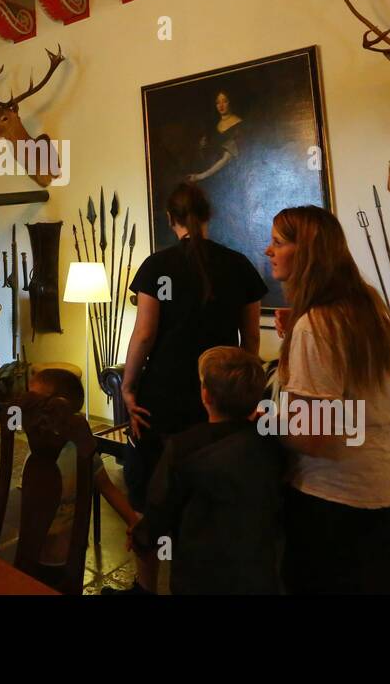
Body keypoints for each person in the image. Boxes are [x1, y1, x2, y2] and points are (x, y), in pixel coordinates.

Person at [115, 181, 267, 594]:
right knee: (205, 494)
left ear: (171, 220)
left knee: (150, 493)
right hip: (216, 395)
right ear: (207, 216)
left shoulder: (157, 266)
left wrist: (127, 388)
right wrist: (248, 396)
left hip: (162, 394)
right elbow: (250, 341)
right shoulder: (239, 265)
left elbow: (143, 336)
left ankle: (146, 586)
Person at [265, 205, 390, 594]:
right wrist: (293, 339)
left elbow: (315, 437)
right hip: (380, 488)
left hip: (329, 499)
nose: (268, 250)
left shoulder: (317, 325)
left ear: (307, 252)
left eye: (278, 242)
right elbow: (347, 399)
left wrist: (261, 420)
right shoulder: (367, 307)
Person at [130, 346, 283, 594]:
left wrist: (143, 535)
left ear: (205, 395)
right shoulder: (270, 443)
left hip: (198, 572)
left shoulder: (181, 447)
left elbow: (160, 504)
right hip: (256, 568)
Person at [26, 367, 137, 568]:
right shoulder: (37, 446)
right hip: (32, 546)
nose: (26, 405)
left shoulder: (82, 454)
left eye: (34, 400)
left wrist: (134, 522)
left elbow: (108, 488)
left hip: (63, 552)